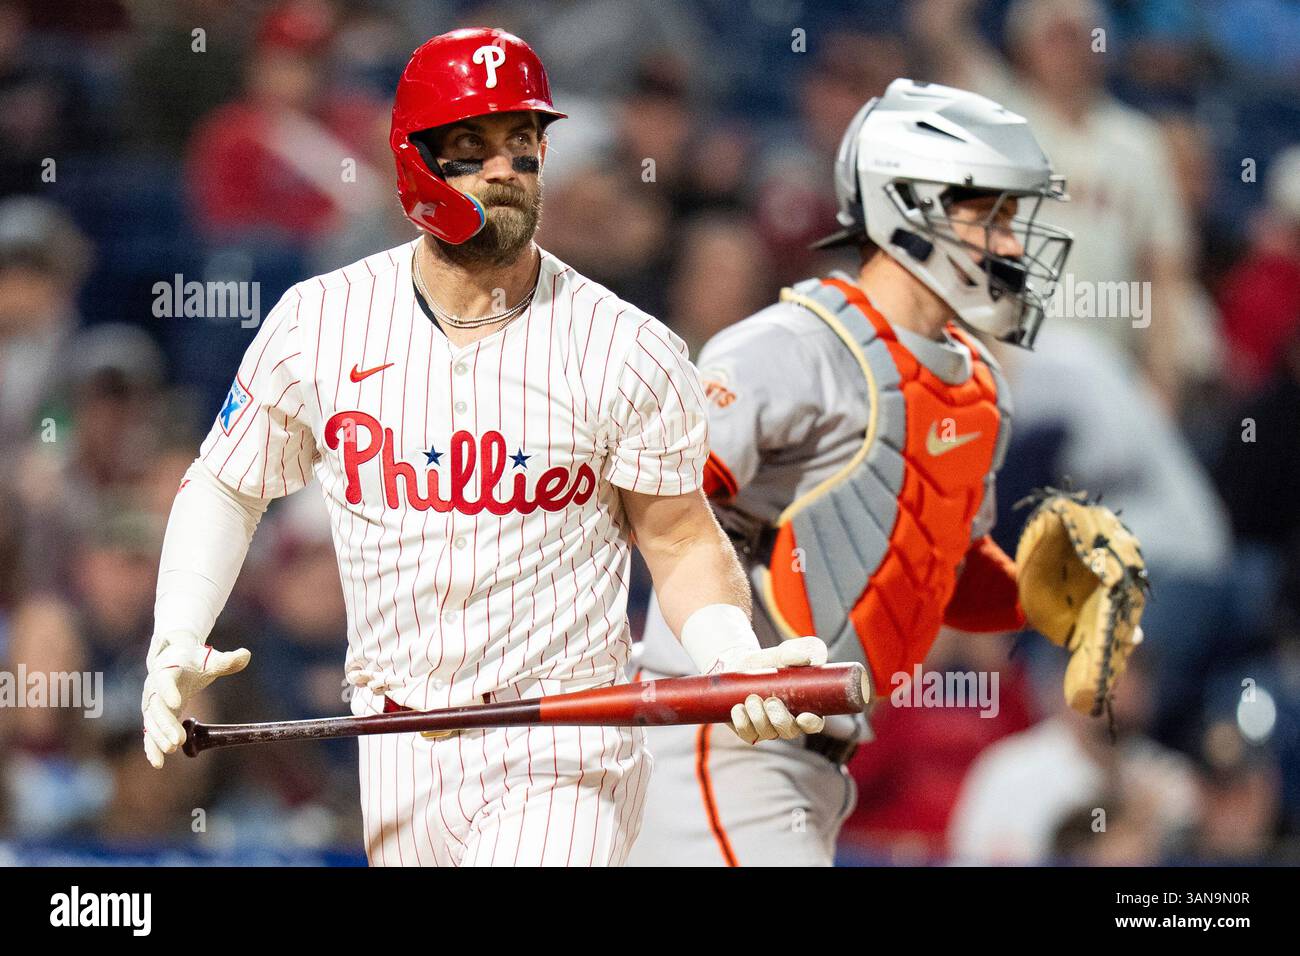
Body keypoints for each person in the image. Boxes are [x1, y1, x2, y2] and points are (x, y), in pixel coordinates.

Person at [140, 27, 829, 867]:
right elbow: (226, 484)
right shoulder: (319, 322)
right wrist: (176, 634)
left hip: (564, 743)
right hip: (393, 740)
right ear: (413, 163)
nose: (504, 169)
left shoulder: (628, 347)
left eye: (523, 146)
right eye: (471, 148)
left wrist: (731, 656)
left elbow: (679, 535)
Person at [629, 78, 1077, 866]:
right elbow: (663, 505)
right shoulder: (786, 348)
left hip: (819, 767)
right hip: (719, 741)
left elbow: (940, 569)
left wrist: (1052, 596)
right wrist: (728, 654)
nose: (1011, 245)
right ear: (907, 208)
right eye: (990, 216)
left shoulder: (977, 386)